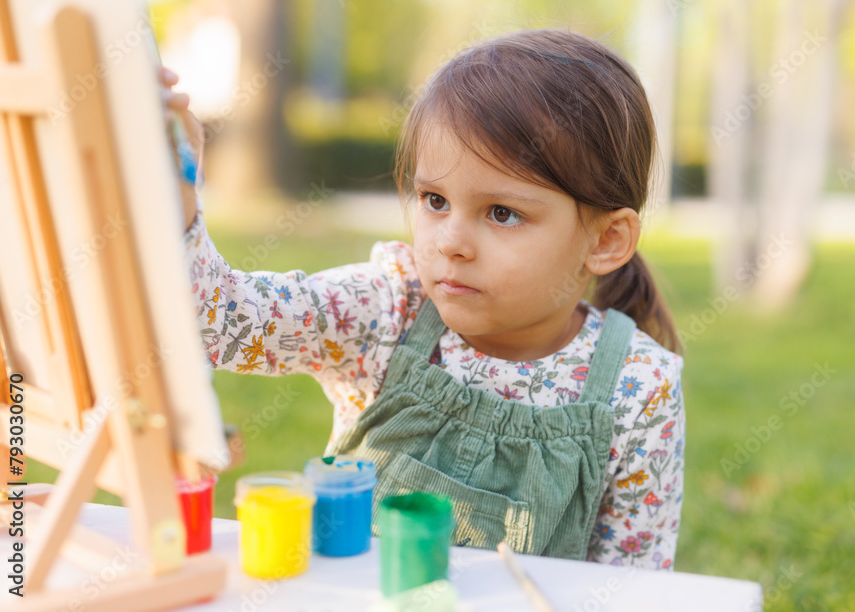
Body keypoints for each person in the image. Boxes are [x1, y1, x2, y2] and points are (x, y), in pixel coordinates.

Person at [164, 29, 686, 570]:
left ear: (606, 241)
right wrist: (175, 184)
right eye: (435, 200)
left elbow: (634, 589)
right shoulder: (389, 307)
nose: (450, 242)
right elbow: (220, 324)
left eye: (502, 212)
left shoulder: (639, 389)